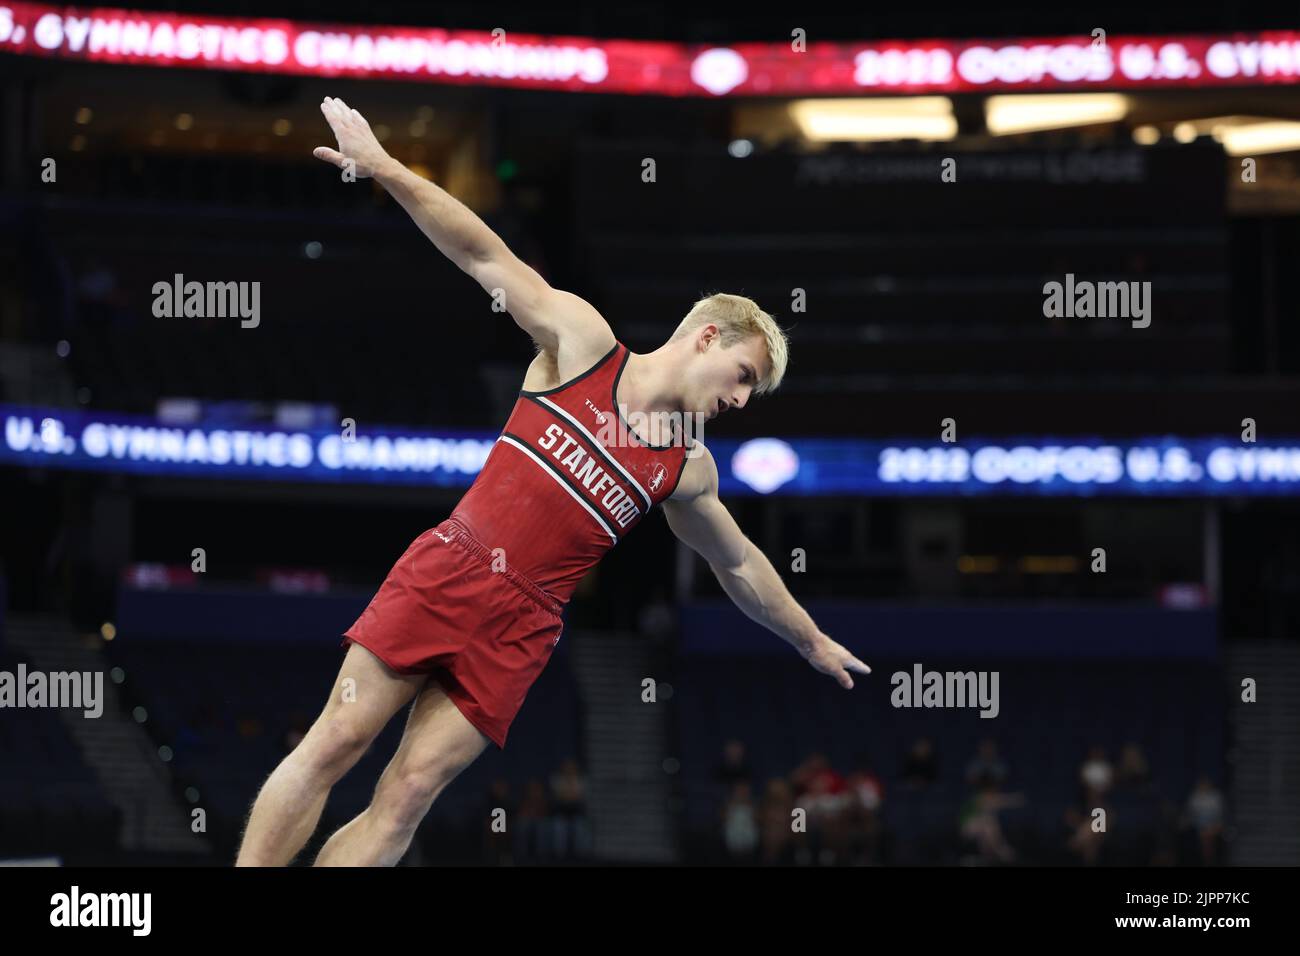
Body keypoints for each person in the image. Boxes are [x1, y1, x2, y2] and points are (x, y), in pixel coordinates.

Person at [234, 96, 870, 867]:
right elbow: (481, 254)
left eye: (749, 394)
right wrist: (388, 168)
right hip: (451, 567)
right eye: (742, 377)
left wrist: (807, 640)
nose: (739, 401)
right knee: (337, 740)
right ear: (707, 336)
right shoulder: (583, 344)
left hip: (522, 627)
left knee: (405, 797)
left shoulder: (686, 468)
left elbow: (737, 564)